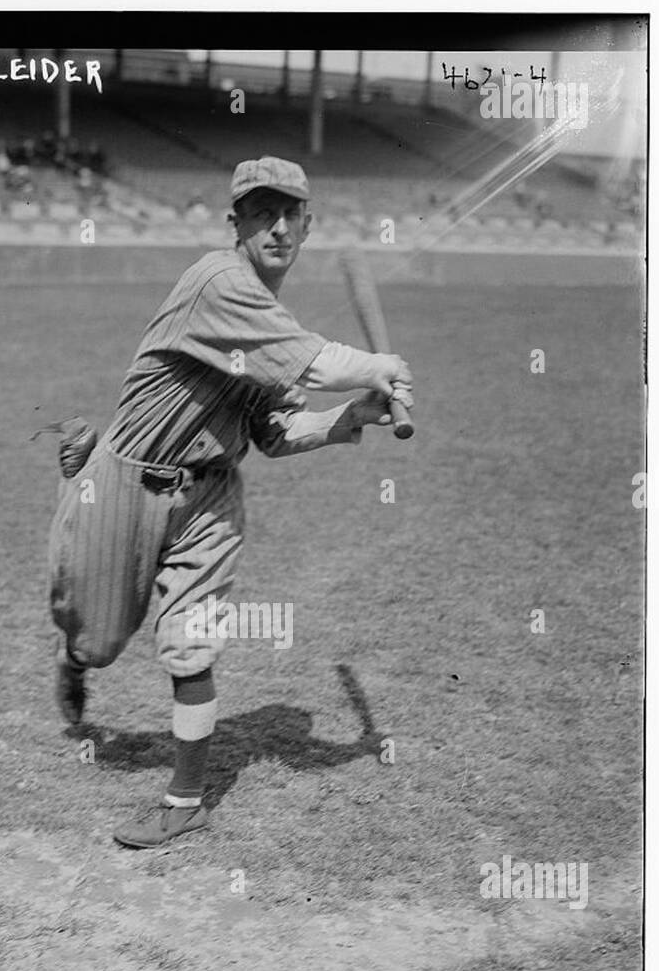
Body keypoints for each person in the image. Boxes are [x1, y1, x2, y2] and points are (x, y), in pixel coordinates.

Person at [43, 156, 413, 848]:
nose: (276, 226)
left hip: (209, 497)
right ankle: (74, 653)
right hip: (128, 479)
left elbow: (272, 434)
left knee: (190, 646)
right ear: (235, 223)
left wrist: (347, 420)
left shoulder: (273, 322)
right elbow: (314, 361)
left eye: (289, 213)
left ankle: (184, 800)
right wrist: (379, 368)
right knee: (95, 640)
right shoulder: (216, 281)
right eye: (260, 212)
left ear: (306, 224)